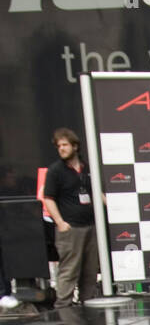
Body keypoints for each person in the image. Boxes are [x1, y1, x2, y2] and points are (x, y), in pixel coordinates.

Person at [43, 127, 99, 307]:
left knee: (90, 270)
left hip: (90, 226)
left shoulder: (86, 168)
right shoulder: (55, 171)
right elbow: (48, 198)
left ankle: (88, 303)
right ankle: (63, 307)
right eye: (59, 146)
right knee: (69, 269)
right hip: (70, 227)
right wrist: (60, 222)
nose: (61, 148)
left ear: (75, 146)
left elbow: (97, 193)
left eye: (65, 145)